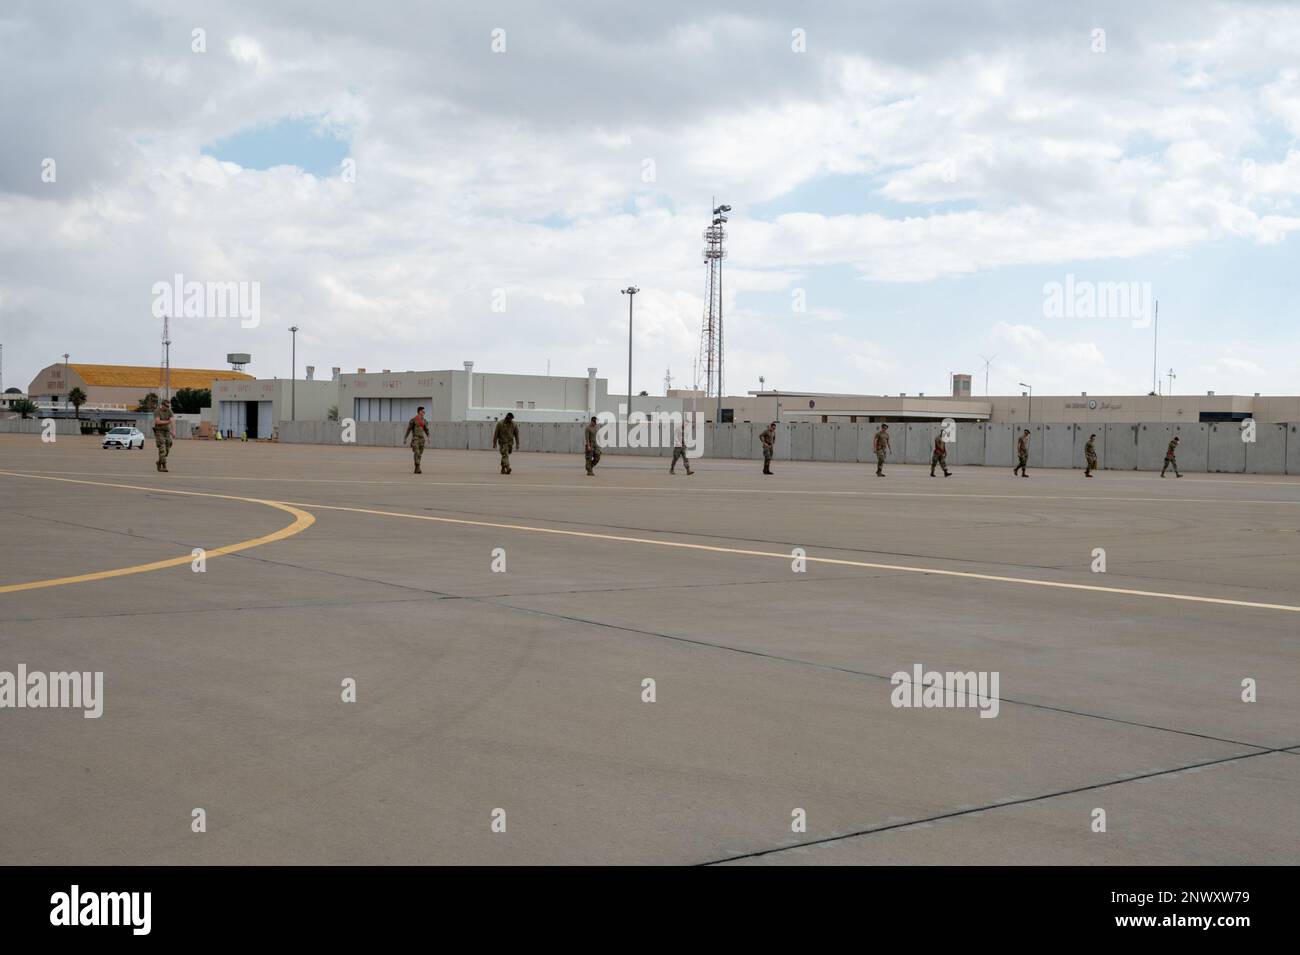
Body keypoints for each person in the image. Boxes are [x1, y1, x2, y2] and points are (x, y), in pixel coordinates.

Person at [404, 405, 430, 474]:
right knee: (417, 452)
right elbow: (409, 429)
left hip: (422, 439)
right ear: (419, 412)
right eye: (423, 411)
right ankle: (418, 467)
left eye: (424, 412)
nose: (424, 413)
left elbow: (426, 430)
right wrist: (405, 438)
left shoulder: (424, 421)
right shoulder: (414, 420)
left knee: (420, 454)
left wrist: (428, 437)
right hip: (415, 439)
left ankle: (416, 468)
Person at [153, 399, 174, 472]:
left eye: (169, 406)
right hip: (159, 432)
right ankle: (163, 466)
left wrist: (173, 431)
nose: (168, 407)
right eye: (166, 406)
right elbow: (157, 422)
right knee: (162, 449)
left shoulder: (169, 411)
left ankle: (159, 462)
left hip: (167, 432)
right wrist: (168, 421)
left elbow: (172, 421)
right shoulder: (157, 411)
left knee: (167, 450)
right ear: (162, 405)